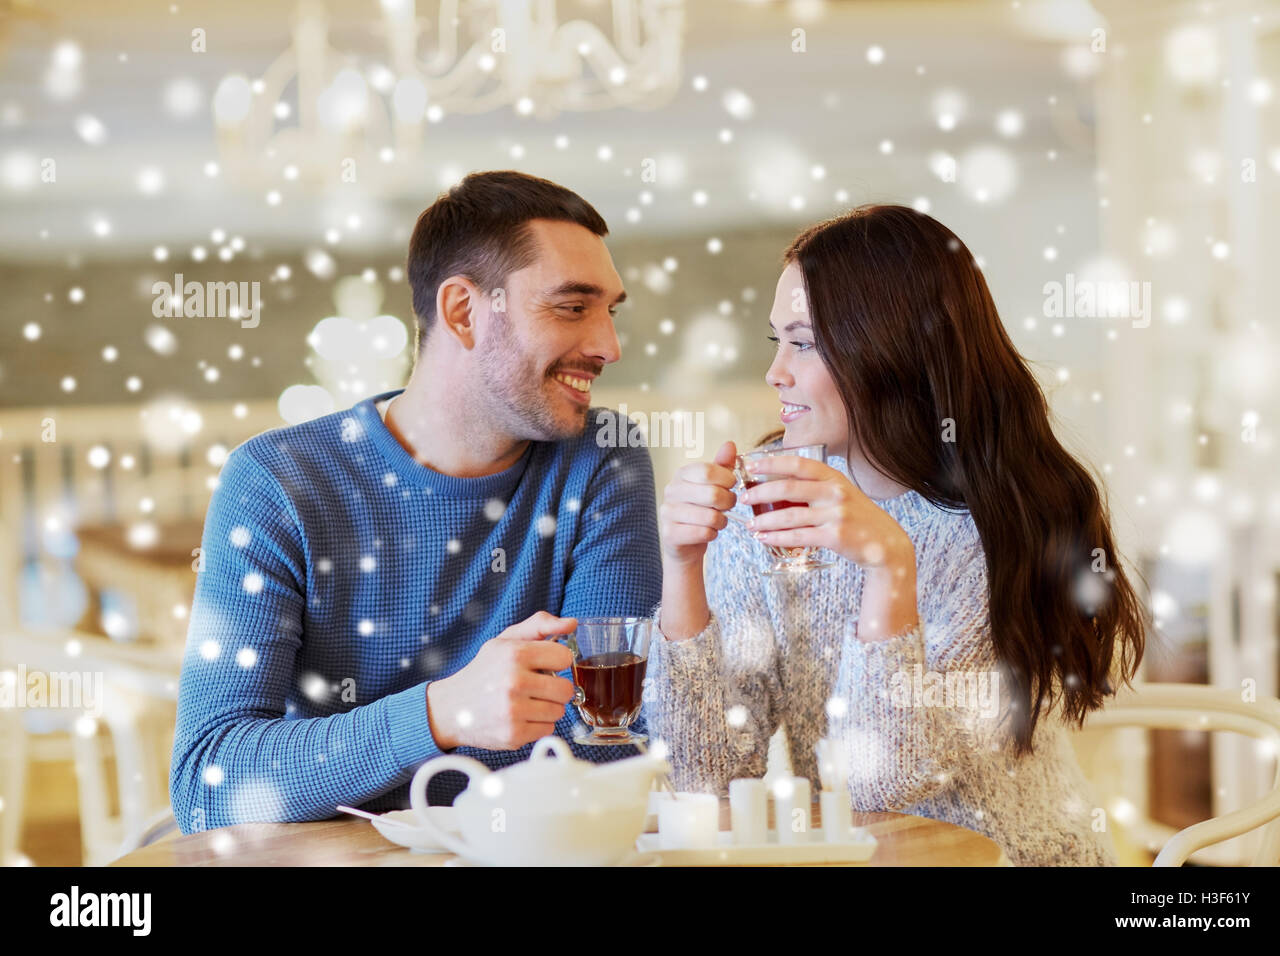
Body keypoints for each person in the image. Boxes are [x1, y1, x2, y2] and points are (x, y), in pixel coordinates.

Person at [645, 204, 1147, 866]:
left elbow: (885, 785)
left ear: (886, 346)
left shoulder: (1003, 519)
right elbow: (702, 776)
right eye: (778, 340)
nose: (776, 374)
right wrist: (682, 566)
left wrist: (890, 567)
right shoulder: (767, 504)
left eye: (804, 342)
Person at [171, 171, 661, 833]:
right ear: (463, 311)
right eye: (573, 307)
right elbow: (209, 783)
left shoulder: (602, 457)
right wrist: (444, 712)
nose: (609, 345)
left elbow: (606, 741)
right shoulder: (277, 482)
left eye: (611, 311)